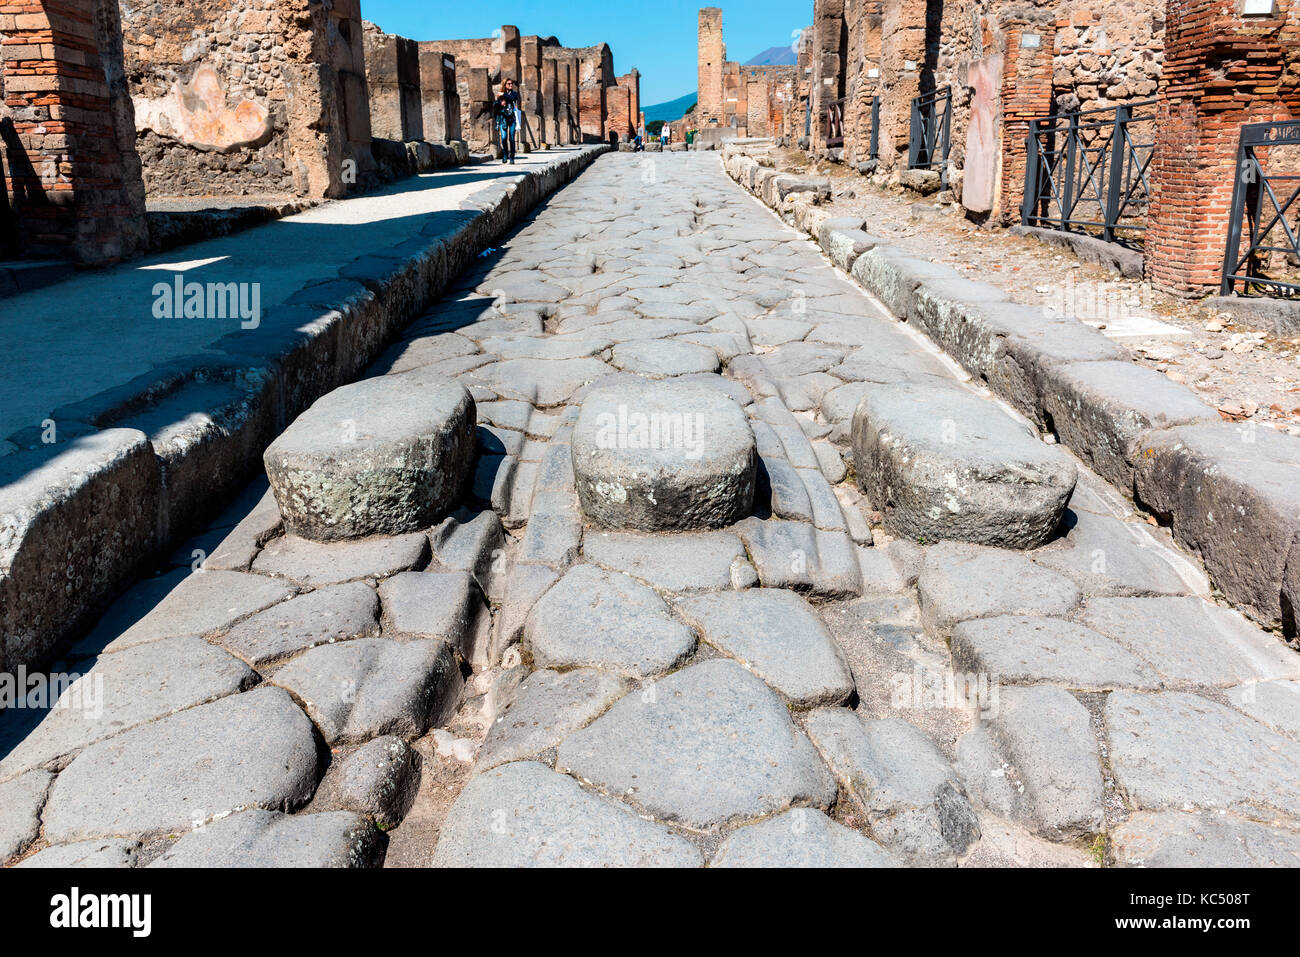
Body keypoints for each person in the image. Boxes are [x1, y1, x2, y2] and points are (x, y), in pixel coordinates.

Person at [494, 78, 521, 165]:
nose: (511, 85)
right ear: (505, 85)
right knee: (504, 138)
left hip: (511, 118)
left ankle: (512, 157)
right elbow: (495, 106)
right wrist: (499, 103)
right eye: (509, 84)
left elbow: (512, 98)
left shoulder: (514, 94)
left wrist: (503, 94)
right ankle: (505, 154)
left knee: (512, 139)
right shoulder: (500, 95)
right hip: (503, 118)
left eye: (511, 83)